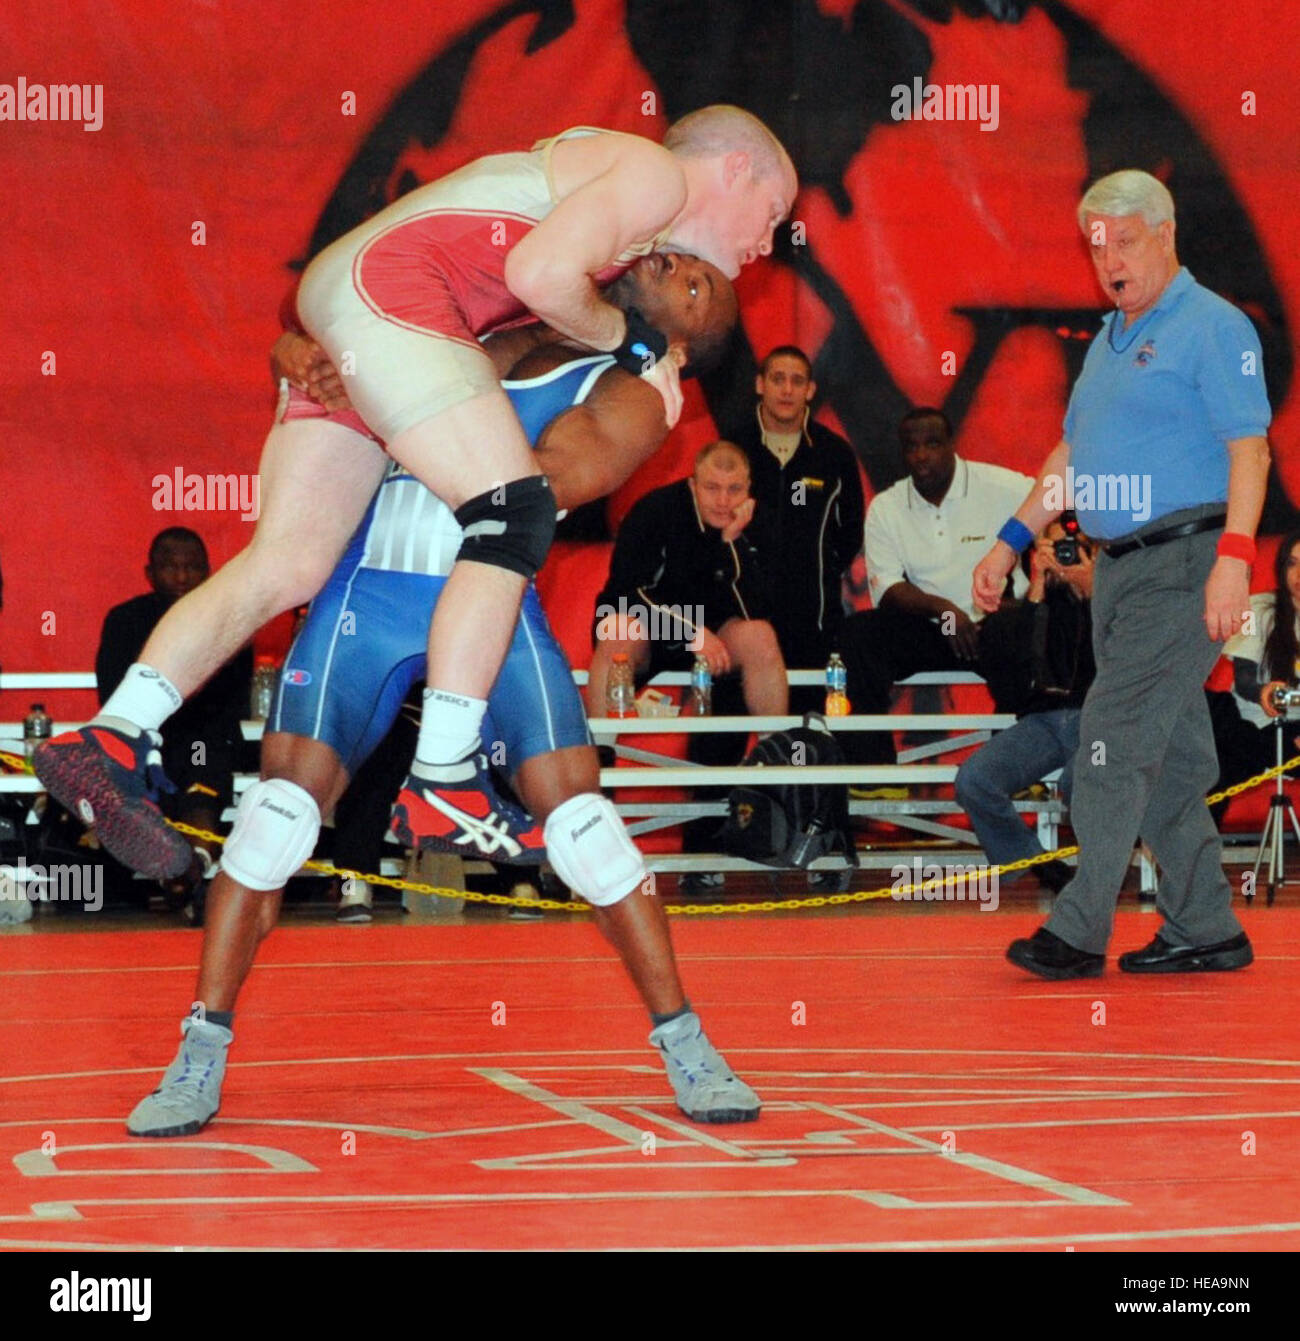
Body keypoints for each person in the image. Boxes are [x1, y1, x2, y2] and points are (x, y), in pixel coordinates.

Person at [37, 108, 794, 881]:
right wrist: (622, 339)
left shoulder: (620, 223)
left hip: (364, 303)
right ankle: (444, 777)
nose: (766, 245)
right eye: (771, 215)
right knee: (515, 509)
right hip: (396, 299)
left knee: (288, 561)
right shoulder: (653, 176)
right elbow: (537, 275)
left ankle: (111, 735)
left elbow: (501, 305)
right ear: (733, 170)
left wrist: (312, 343)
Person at [124, 273, 758, 1138]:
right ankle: (200, 1048)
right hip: (369, 593)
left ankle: (686, 1040)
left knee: (585, 828)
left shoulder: (636, 390)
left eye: (694, 285)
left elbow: (547, 480)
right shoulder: (492, 297)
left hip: (493, 602)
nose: (663, 268)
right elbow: (317, 310)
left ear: (687, 341)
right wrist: (310, 359)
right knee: (274, 817)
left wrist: (396, 400)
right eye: (665, 258)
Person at [973, 169, 1272, 979]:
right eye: (1095, 245)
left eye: (1124, 240)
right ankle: (1207, 924)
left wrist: (1235, 561)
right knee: (1168, 755)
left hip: (1185, 562)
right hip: (1120, 574)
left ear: (1167, 233)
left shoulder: (1213, 327)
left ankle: (1077, 928)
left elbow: (1253, 450)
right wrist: (1008, 540)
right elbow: (1070, 459)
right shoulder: (1109, 341)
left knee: (1105, 741)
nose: (1107, 260)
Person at [838, 407, 1032, 765]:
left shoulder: (1004, 487)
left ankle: (1013, 767)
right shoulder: (887, 507)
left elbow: (1051, 507)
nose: (921, 455)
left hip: (994, 624)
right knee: (858, 635)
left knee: (1025, 628)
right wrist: (944, 611)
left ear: (952, 445)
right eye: (911, 447)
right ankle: (873, 771)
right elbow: (890, 590)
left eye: (932, 444)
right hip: (934, 628)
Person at [95, 528, 252, 910]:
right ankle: (182, 874)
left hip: (202, 739)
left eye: (192, 567)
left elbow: (231, 701)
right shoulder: (124, 619)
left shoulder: (227, 621)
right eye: (170, 567)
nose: (181, 577)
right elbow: (113, 694)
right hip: (146, 740)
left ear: (208, 572)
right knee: (145, 769)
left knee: (202, 765)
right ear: (150, 573)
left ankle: (191, 866)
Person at [587, 440, 788, 721]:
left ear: (748, 487)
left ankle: (775, 748)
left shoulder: (758, 521)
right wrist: (689, 632)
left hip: (716, 632)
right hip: (651, 628)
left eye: (734, 489)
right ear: (694, 485)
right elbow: (627, 594)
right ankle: (600, 751)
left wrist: (732, 543)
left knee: (761, 636)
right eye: (712, 488)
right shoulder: (653, 511)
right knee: (617, 630)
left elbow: (759, 608)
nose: (723, 501)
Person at [957, 519, 1096, 892]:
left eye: (1075, 546)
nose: (1065, 555)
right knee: (974, 780)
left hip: (1099, 721)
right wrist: (1037, 589)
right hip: (1040, 724)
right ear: (1035, 553)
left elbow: (1125, 661)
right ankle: (1037, 864)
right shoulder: (1011, 616)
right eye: (1055, 547)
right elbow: (1012, 686)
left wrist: (1092, 590)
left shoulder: (1112, 607)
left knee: (1080, 780)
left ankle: (1099, 877)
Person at [727, 345, 863, 676]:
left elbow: (850, 532)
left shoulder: (834, 454)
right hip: (742, 623)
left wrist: (819, 569)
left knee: (810, 725)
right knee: (731, 723)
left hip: (815, 624)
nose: (787, 390)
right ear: (760, 384)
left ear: (810, 390)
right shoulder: (732, 447)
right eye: (777, 379)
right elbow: (709, 527)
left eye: (797, 381)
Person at [1213, 530, 1300, 808]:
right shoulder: (1254, 608)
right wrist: (1266, 691)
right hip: (1253, 723)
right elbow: (1244, 681)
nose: (1298, 573)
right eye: (1292, 563)